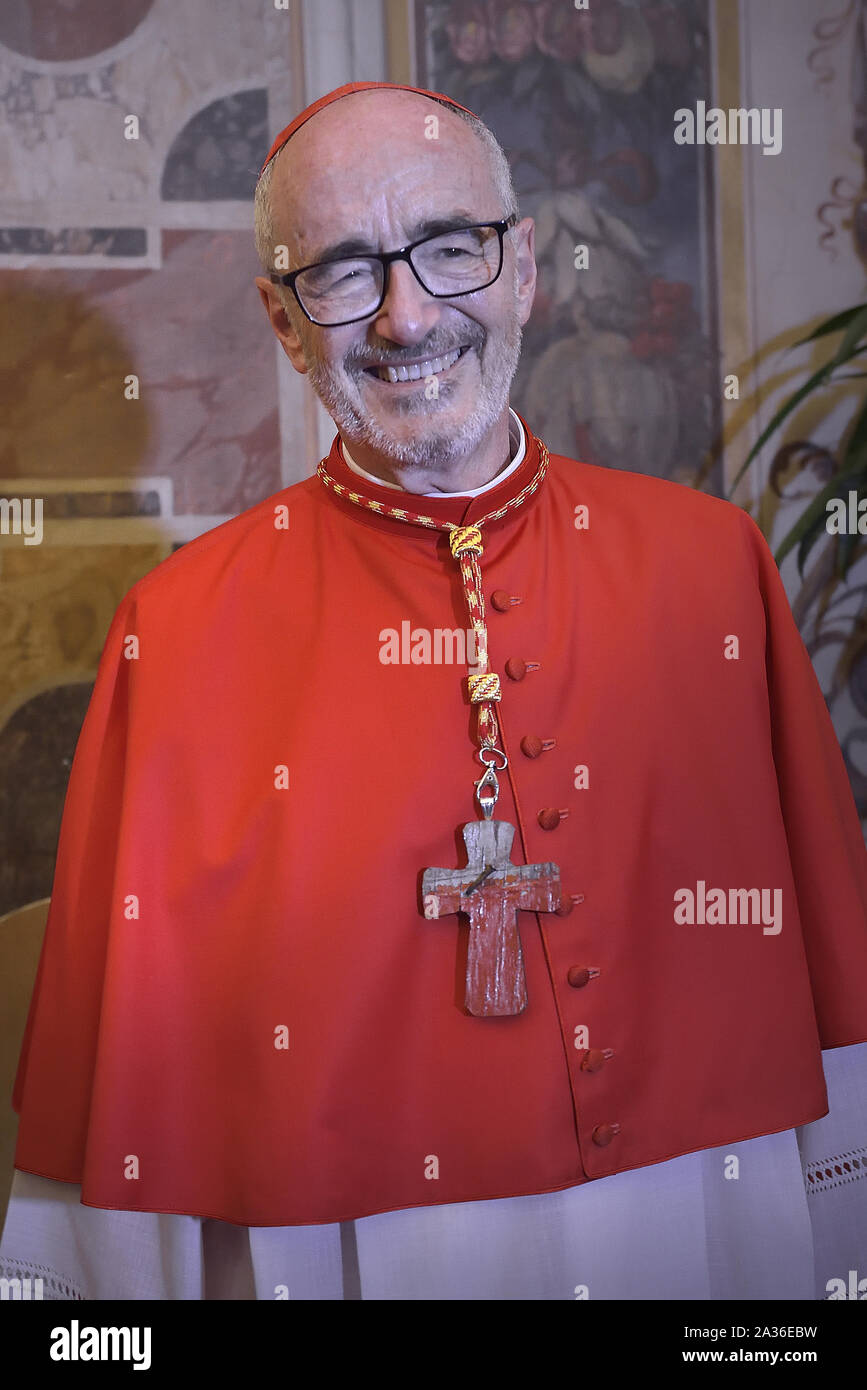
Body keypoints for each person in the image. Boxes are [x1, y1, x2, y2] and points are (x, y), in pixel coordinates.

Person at [1, 81, 866, 1302]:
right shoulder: (180, 631)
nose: (407, 317)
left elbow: (835, 1021)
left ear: (524, 268)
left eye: (450, 247)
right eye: (343, 272)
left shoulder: (712, 568)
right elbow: (130, 1100)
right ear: (284, 321)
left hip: (696, 1225)